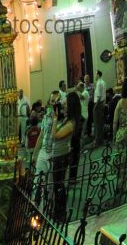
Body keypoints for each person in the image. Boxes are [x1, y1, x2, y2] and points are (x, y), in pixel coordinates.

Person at [51, 92, 78, 222]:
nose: (64, 105)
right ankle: (58, 212)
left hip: (62, 157)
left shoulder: (71, 122)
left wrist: (55, 119)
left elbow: (55, 135)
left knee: (59, 186)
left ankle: (61, 214)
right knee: (57, 185)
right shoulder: (65, 118)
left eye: (66, 103)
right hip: (58, 155)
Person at [92, 70, 107, 147]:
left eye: (95, 74)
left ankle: (97, 141)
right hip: (102, 103)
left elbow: (99, 97)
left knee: (97, 123)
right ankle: (101, 139)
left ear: (98, 75)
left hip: (98, 104)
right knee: (101, 123)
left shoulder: (99, 83)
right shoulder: (103, 82)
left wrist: (95, 107)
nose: (95, 76)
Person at [83, 75, 94, 139]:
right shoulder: (82, 86)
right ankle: (85, 133)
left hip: (90, 104)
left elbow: (93, 95)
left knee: (90, 118)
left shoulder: (92, 86)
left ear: (89, 79)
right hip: (84, 105)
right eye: (85, 79)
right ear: (84, 80)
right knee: (85, 118)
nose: (86, 80)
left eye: (87, 79)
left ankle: (89, 133)